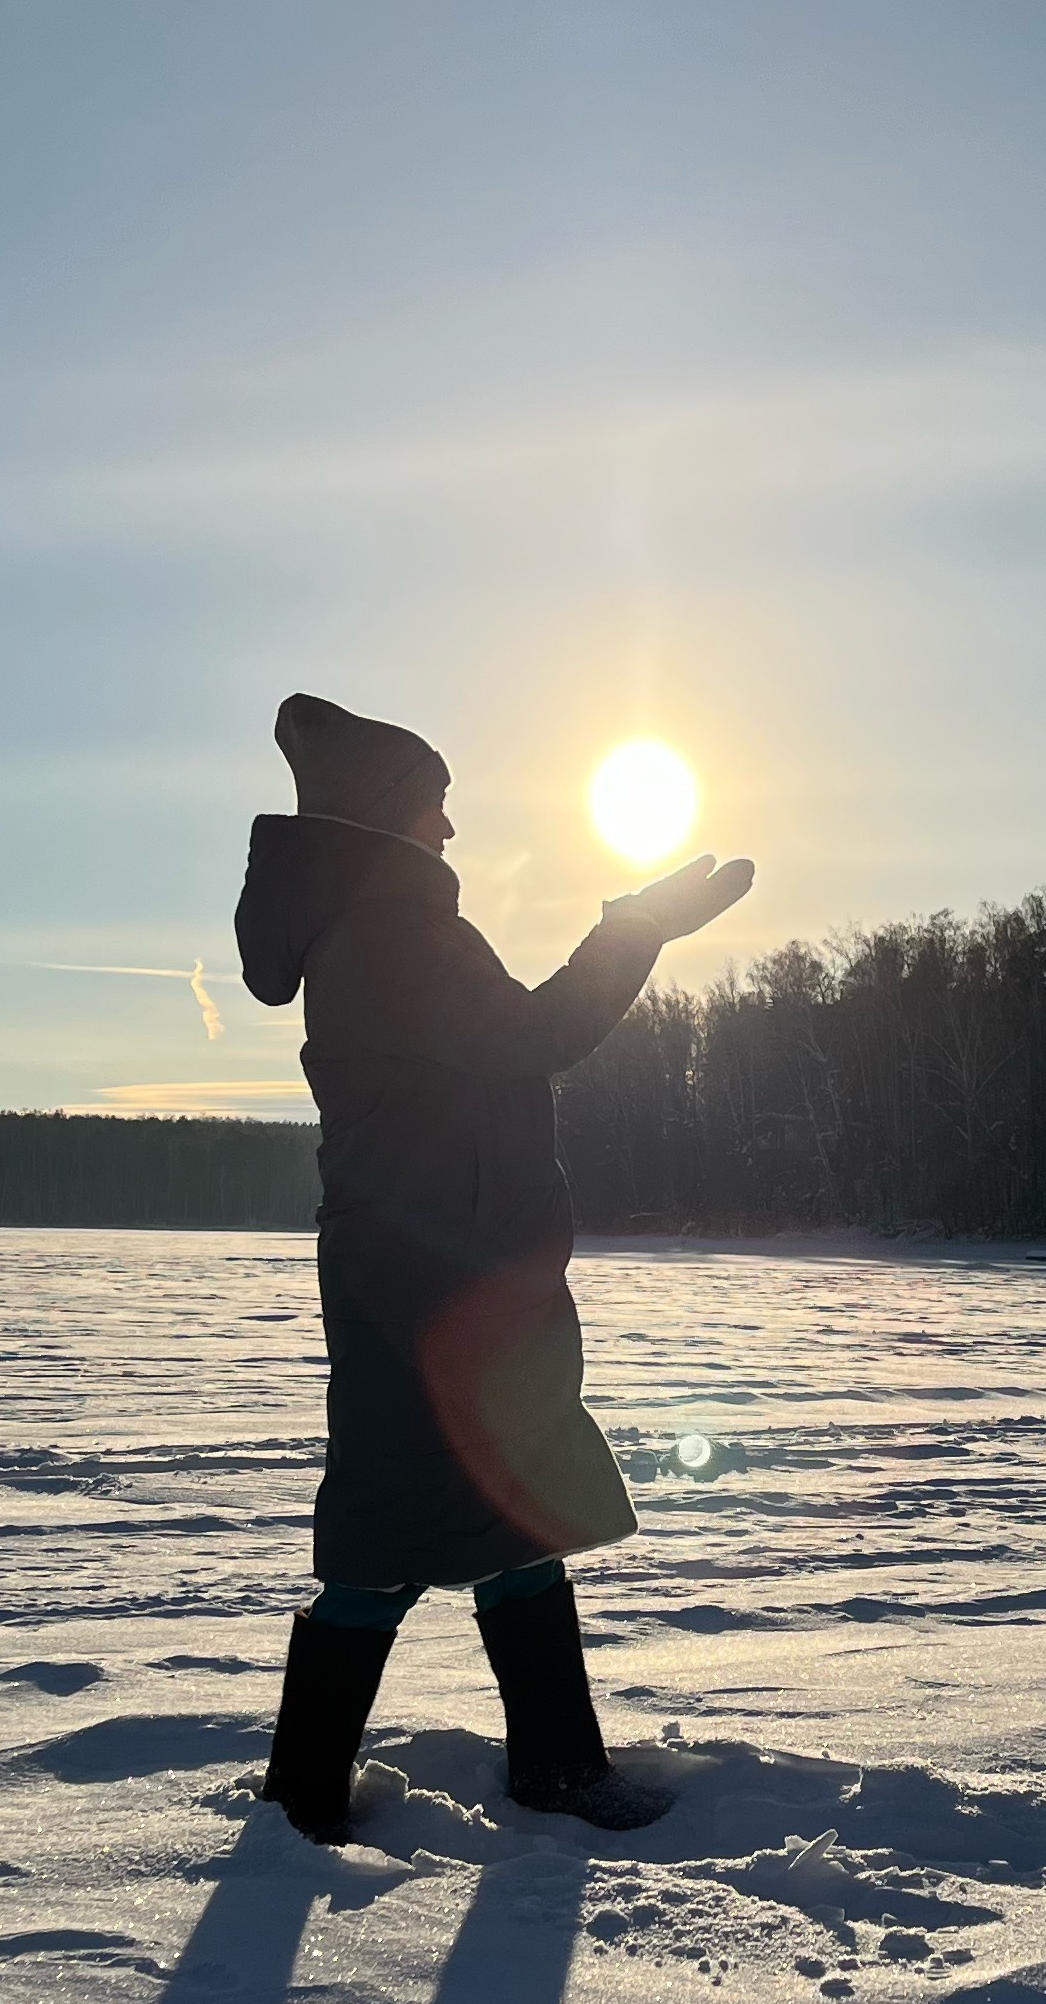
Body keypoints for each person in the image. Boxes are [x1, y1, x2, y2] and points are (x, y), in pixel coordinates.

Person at [233, 691, 753, 1840]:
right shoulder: (388, 933)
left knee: (501, 1518)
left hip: (437, 1276)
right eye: (437, 808)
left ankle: (532, 1770)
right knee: (392, 1537)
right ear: (388, 817)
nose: (452, 832)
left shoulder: (377, 925)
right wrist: (634, 929)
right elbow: (530, 1037)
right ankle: (315, 1797)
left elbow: (501, 1049)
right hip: (428, 1287)